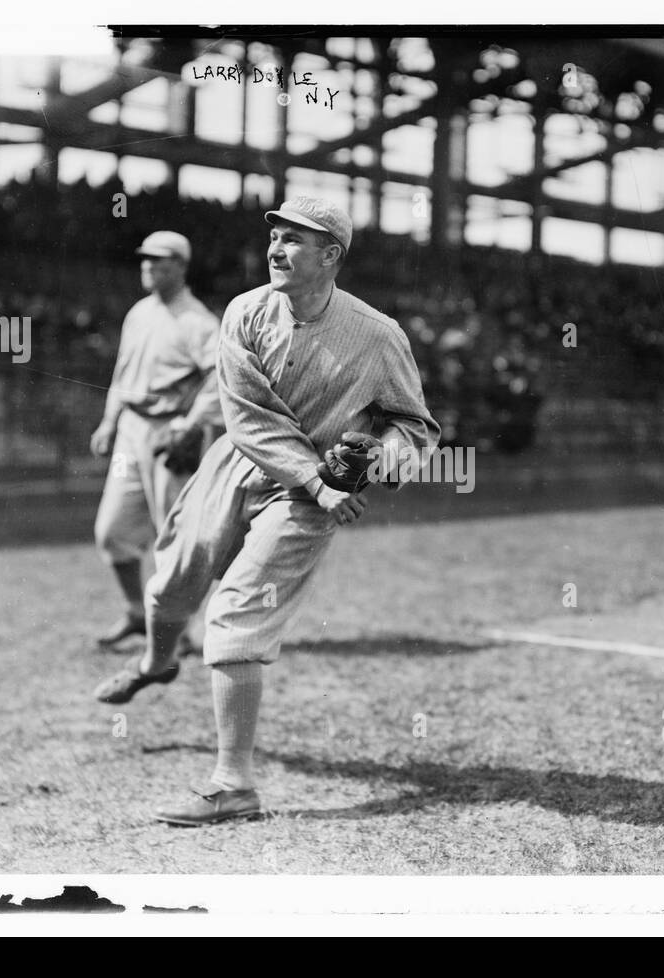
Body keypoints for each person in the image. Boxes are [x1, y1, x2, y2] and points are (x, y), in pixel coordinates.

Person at [92, 196, 440, 827]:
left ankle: (233, 785)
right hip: (241, 465)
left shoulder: (378, 335)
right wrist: (317, 478)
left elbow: (415, 426)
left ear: (330, 255)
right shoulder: (246, 311)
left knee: (235, 614)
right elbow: (247, 419)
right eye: (275, 236)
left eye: (294, 240)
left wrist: (384, 457)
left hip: (305, 501)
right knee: (169, 589)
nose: (276, 249)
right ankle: (155, 663)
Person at [91, 231, 224, 653]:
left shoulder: (199, 321)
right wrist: (109, 421)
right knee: (111, 531)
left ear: (181, 266)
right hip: (132, 429)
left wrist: (193, 423)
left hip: (171, 432)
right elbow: (122, 373)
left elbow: (221, 378)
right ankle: (136, 612)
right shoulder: (138, 312)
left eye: (159, 260)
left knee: (175, 535)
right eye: (145, 258)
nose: (148, 265)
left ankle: (179, 627)